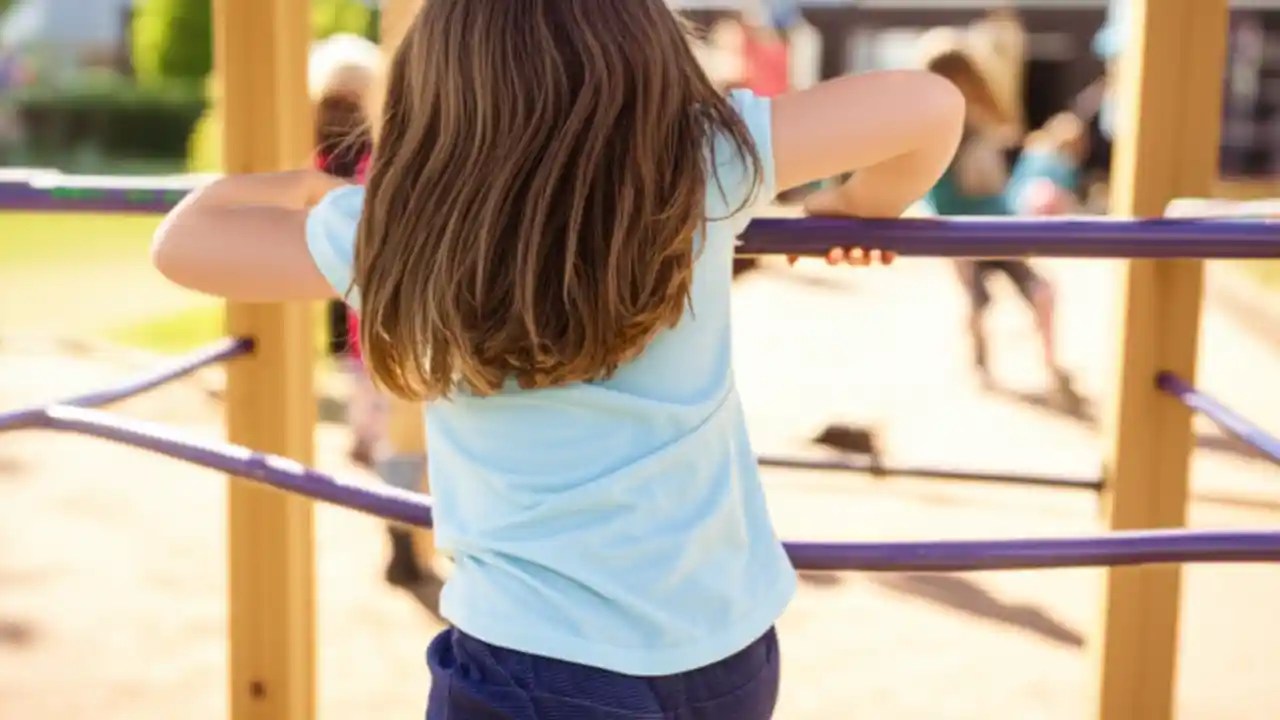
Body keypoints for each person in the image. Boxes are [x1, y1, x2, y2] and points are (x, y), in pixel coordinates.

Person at [149, 1, 963, 716]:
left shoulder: (395, 226)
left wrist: (321, 185)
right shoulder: (699, 163)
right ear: (645, 49)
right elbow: (929, 103)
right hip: (724, 647)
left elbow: (184, 241)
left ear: (439, 83)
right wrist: (861, 208)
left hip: (532, 661)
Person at [309, 33, 427, 586]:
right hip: (379, 314)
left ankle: (402, 528)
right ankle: (401, 530)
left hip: (375, 312)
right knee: (392, 413)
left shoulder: (342, 165)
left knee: (392, 414)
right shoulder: (378, 158)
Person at [918, 27, 1079, 408]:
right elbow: (958, 185)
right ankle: (983, 365)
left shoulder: (974, 122)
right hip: (963, 229)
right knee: (977, 301)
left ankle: (1048, 364)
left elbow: (995, 165)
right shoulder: (936, 128)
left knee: (1033, 293)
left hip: (995, 226)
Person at [309, 34, 381, 467]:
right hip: (337, 249)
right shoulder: (322, 150)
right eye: (334, 102)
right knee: (350, 345)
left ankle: (371, 434)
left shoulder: (371, 155)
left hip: (360, 250)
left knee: (366, 340)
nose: (342, 114)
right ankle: (365, 430)